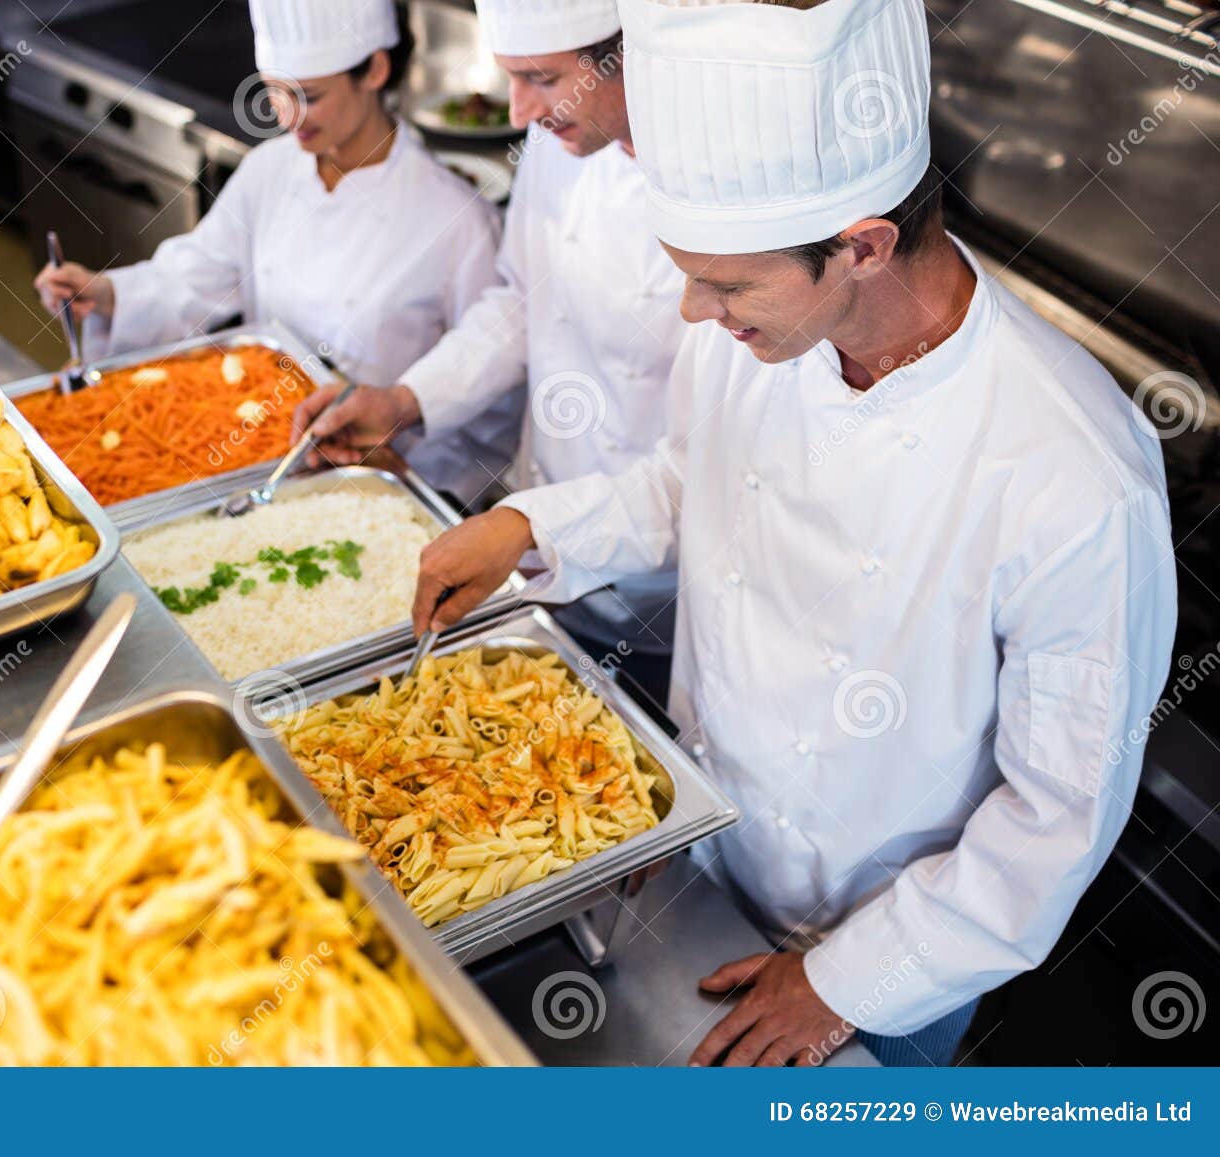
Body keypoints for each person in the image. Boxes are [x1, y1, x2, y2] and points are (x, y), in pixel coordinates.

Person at [408, 0, 1177, 1066]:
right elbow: (693, 477)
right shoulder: (751, 336)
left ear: (860, 246)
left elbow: (1054, 816)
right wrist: (528, 522)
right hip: (687, 843)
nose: (690, 310)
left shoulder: (1074, 475)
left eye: (721, 283)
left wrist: (845, 981)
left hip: (874, 954)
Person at [294, 0, 686, 703]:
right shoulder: (559, 141)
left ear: (630, 55)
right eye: (511, 77)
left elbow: (705, 467)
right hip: (545, 548)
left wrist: (525, 524)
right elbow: (519, 301)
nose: (516, 111)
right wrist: (405, 400)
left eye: (539, 77)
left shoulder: (715, 193)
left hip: (667, 583)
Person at [32, 0, 511, 502]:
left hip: (378, 485)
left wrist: (415, 480)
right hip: (258, 455)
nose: (289, 116)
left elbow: (489, 401)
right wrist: (106, 294)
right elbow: (195, 276)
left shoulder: (457, 220)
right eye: (275, 93)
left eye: (310, 96)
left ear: (375, 69)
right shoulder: (271, 170)